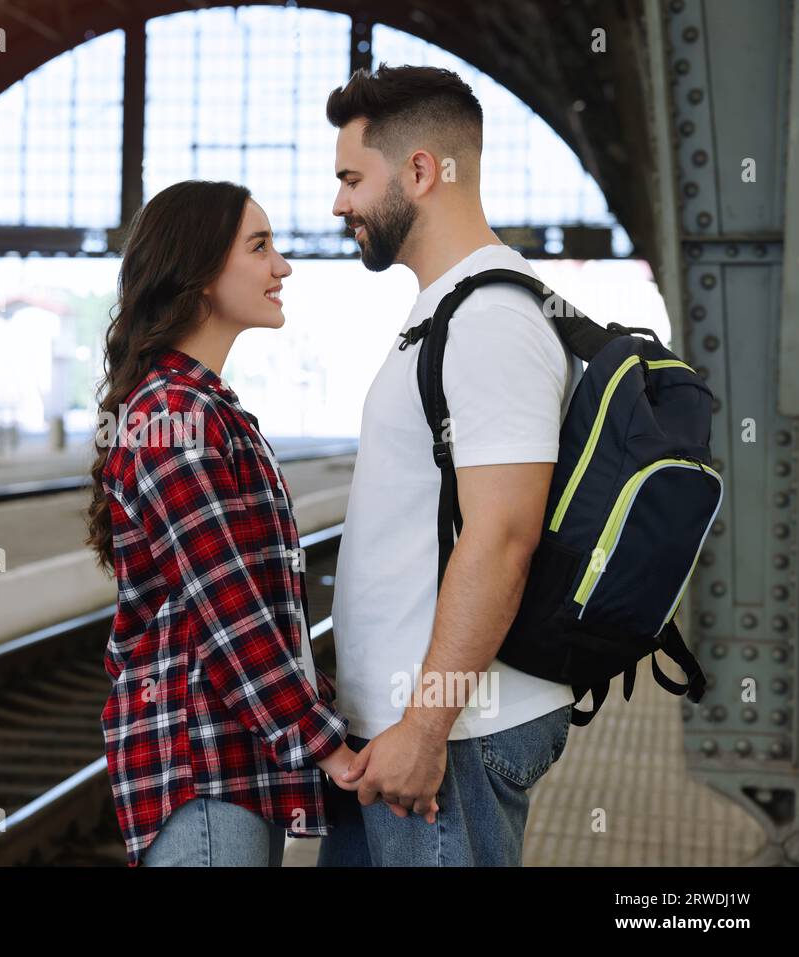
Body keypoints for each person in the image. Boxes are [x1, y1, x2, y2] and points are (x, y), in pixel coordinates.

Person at [85, 180, 393, 867]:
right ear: (197, 276)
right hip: (203, 770)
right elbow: (229, 610)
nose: (282, 266)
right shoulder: (174, 415)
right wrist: (329, 748)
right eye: (259, 247)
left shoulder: (206, 408)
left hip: (231, 770)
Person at [319, 64, 577, 867]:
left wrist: (427, 724)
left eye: (352, 178)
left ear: (421, 172)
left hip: (451, 740)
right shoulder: (446, 310)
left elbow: (502, 536)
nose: (339, 204)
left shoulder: (492, 319)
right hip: (400, 735)